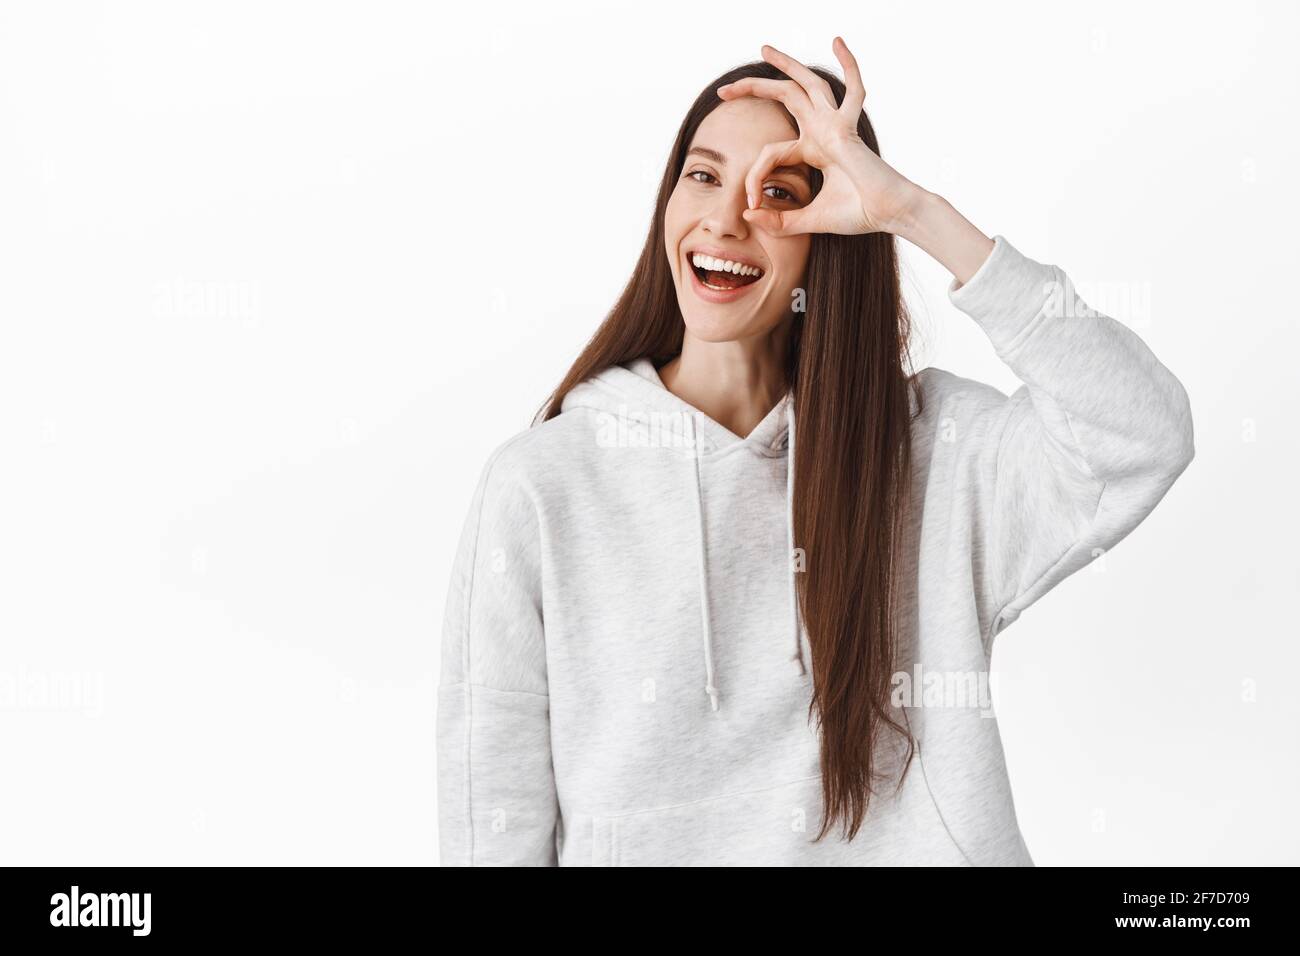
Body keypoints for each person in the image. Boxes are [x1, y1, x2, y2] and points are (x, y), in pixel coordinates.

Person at [436, 38, 1195, 866]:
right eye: (703, 175)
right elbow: (491, 821)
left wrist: (913, 214)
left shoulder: (929, 452)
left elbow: (1141, 437)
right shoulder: (542, 486)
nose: (726, 217)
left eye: (779, 191)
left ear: (832, 229)